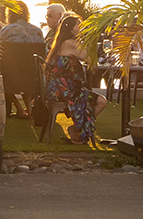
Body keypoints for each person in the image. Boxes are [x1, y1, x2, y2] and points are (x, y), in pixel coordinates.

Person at [44, 13, 106, 145]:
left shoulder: (60, 43)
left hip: (56, 89)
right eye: (79, 26)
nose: (81, 28)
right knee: (101, 101)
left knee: (91, 97)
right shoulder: (71, 43)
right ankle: (76, 129)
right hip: (66, 91)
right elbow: (90, 59)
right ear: (71, 29)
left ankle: (77, 129)